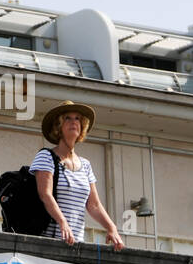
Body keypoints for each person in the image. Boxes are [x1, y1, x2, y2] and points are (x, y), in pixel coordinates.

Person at [31, 100, 126, 250]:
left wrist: (111, 228)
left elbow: (93, 204)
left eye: (77, 119)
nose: (73, 122)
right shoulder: (46, 157)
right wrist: (63, 223)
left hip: (75, 243)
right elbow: (45, 194)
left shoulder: (86, 165)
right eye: (67, 118)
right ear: (58, 126)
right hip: (49, 243)